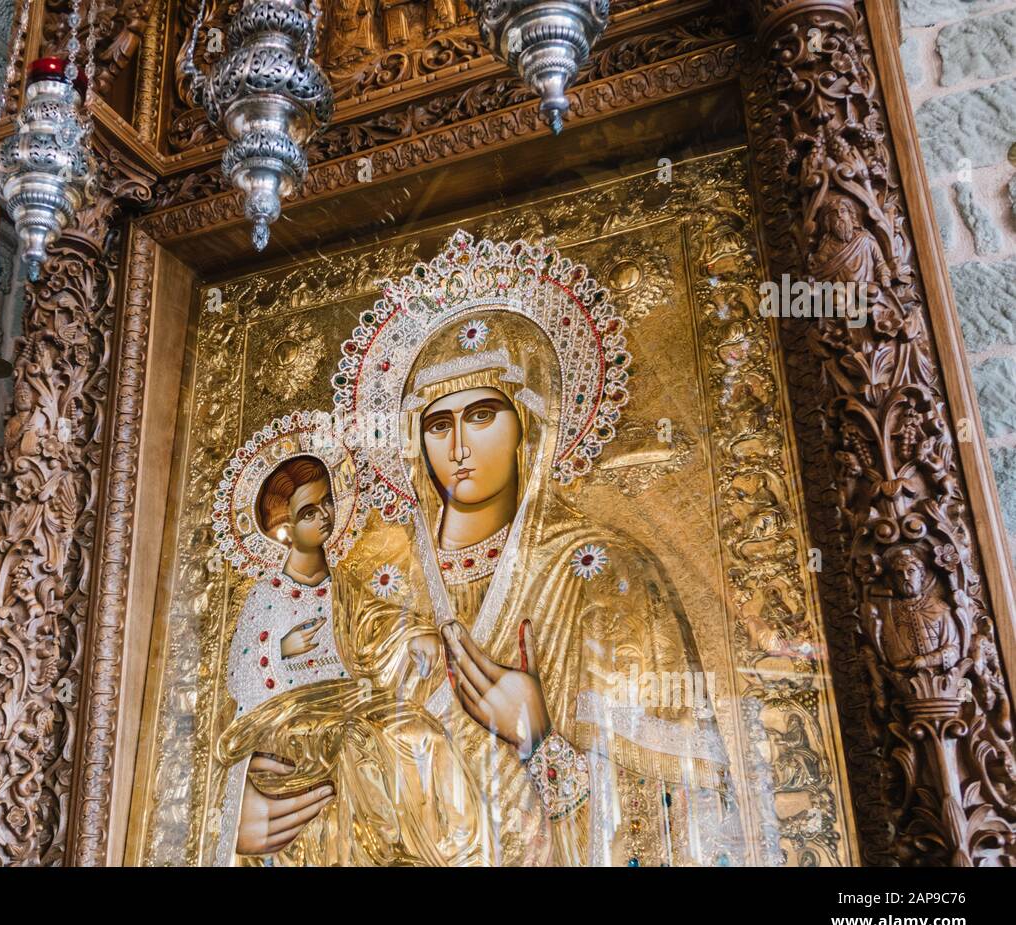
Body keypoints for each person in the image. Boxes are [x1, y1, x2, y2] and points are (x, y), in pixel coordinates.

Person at [335, 231, 747, 864]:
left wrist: (540, 735)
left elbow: (680, 802)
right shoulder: (374, 583)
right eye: (438, 424)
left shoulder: (600, 571)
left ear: (528, 425)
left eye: (482, 415)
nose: (459, 447)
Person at [209, 414, 486, 865]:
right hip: (287, 715)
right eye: (307, 512)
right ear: (283, 527)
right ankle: (383, 851)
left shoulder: (340, 586)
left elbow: (374, 623)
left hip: (349, 698)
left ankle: (450, 850)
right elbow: (243, 676)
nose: (323, 518)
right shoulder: (268, 593)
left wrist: (415, 636)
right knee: (359, 742)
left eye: (326, 504)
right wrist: (280, 651)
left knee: (419, 732)